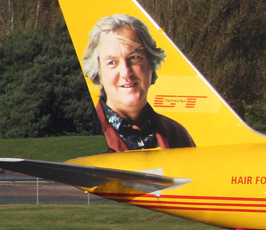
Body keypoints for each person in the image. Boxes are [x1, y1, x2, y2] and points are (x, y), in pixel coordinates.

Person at [82, 14, 195, 151]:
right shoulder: (87, 137)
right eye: (112, 62)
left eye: (134, 57)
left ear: (151, 65)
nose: (126, 72)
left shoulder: (177, 134)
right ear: (99, 74)